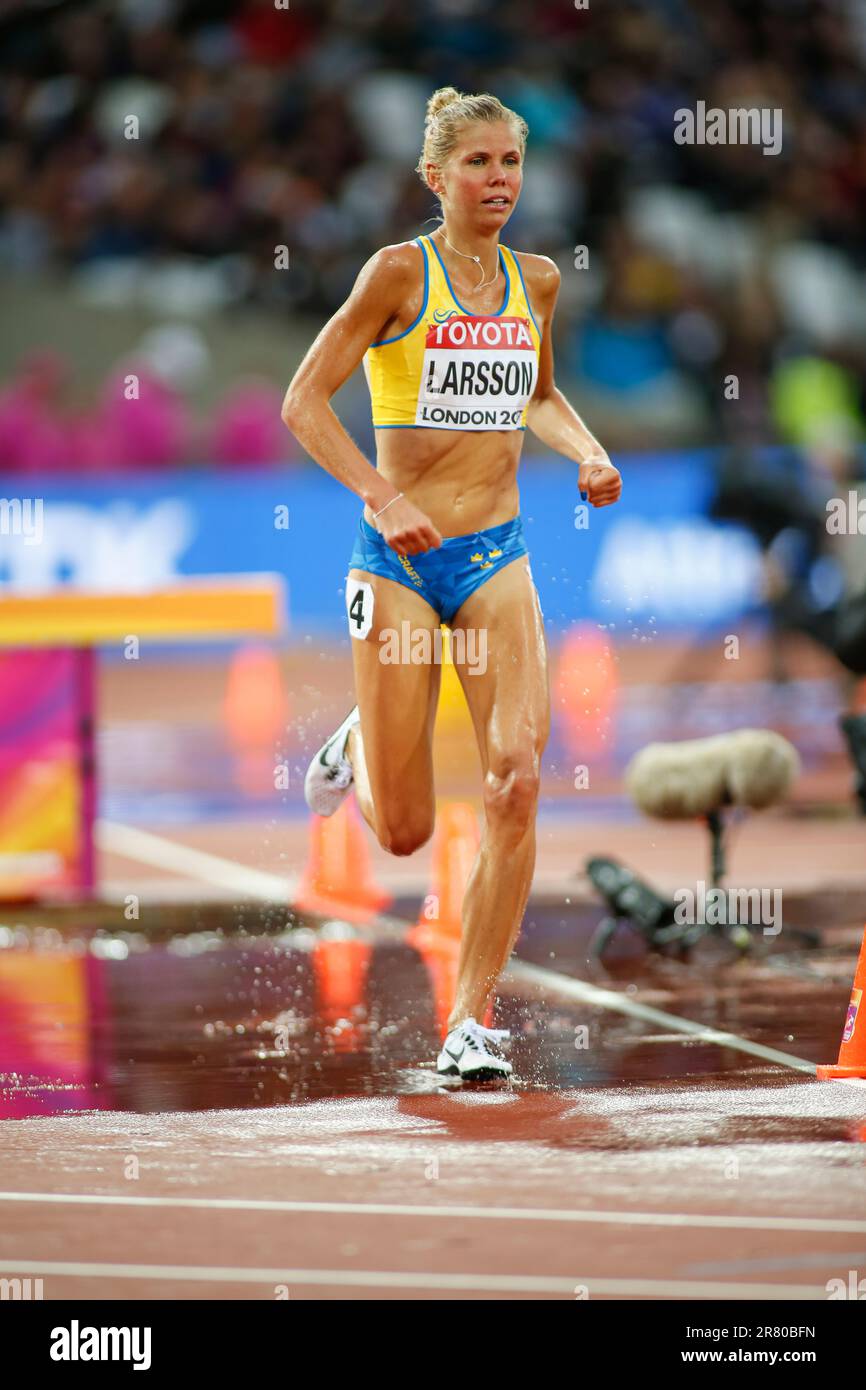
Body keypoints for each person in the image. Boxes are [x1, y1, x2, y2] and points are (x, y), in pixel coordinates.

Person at [282, 86, 622, 1081]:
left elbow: (541, 394)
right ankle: (358, 738)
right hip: (394, 561)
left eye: (509, 164)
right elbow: (303, 401)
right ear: (434, 177)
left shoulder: (539, 282)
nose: (497, 181)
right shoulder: (396, 273)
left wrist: (588, 451)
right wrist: (381, 498)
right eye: (476, 164)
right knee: (402, 833)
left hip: (494, 557)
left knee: (514, 780)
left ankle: (469, 1021)